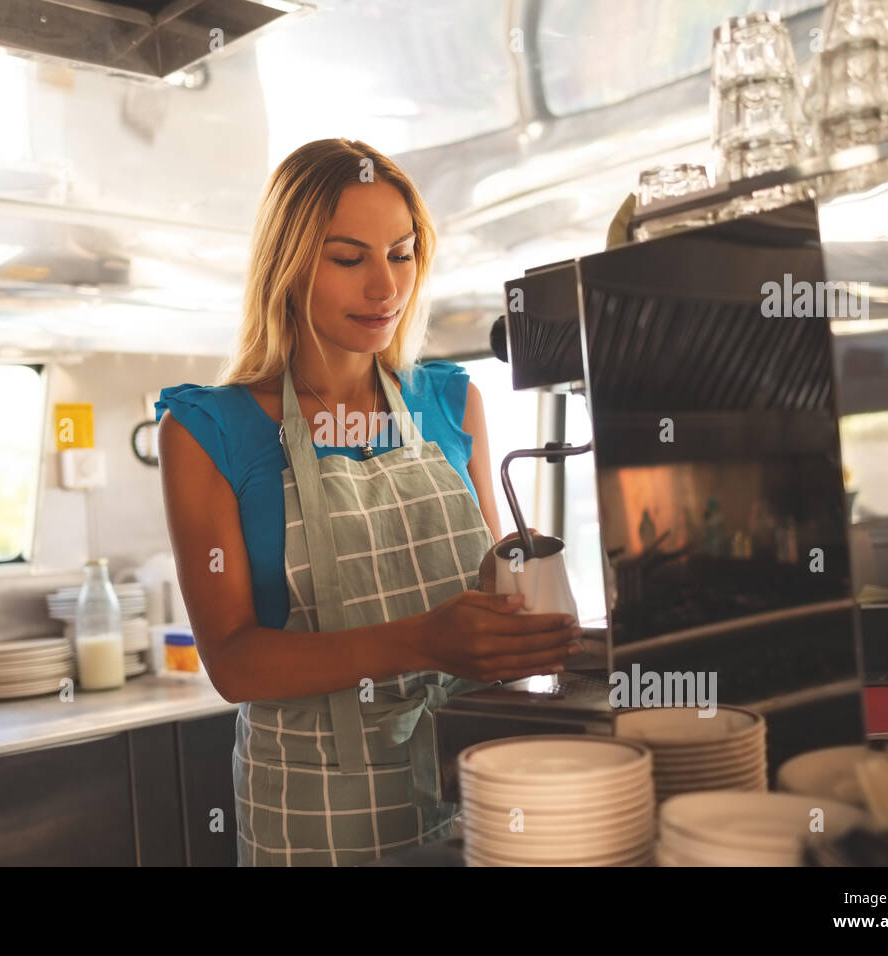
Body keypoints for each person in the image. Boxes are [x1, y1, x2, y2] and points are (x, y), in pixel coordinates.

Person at [155, 138, 585, 866]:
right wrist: (422, 640)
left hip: (468, 778)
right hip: (314, 811)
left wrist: (505, 588)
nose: (386, 288)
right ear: (287, 266)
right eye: (348, 259)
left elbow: (466, 580)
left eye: (403, 254)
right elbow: (233, 662)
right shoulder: (207, 430)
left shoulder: (451, 401)